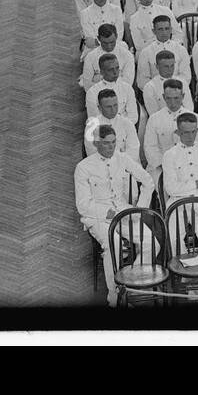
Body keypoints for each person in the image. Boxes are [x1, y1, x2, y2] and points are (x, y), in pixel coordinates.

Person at [74, 123, 155, 306]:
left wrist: (139, 209)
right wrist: (108, 213)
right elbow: (83, 205)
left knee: (152, 242)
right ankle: (114, 296)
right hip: (97, 215)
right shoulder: (83, 167)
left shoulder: (123, 158)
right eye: (106, 144)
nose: (111, 147)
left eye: (113, 142)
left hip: (123, 210)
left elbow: (148, 181)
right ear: (96, 144)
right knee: (114, 244)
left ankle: (132, 282)